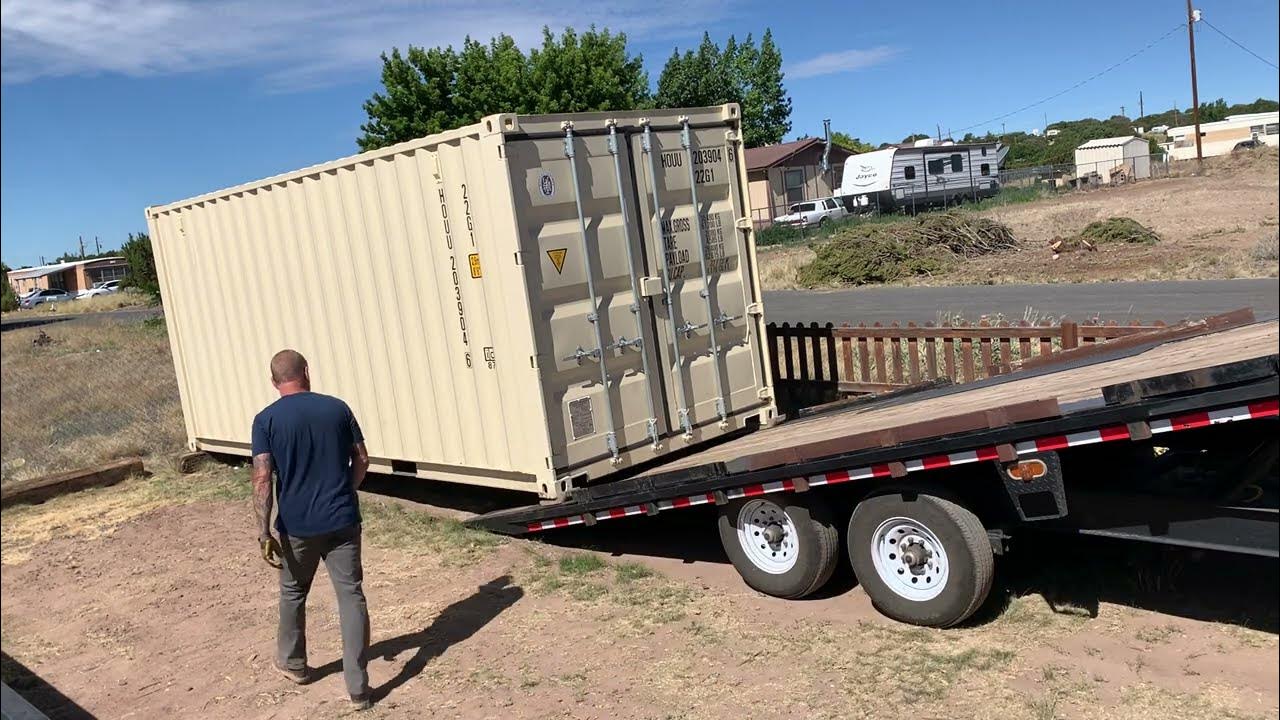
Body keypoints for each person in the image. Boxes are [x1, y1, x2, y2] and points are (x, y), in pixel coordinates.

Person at [251, 349, 373, 711]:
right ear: (306, 371)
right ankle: (358, 688)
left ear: (274, 382)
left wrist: (263, 532)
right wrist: (347, 490)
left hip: (297, 526)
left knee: (293, 591)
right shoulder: (337, 408)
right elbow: (363, 458)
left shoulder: (266, 420)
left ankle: (294, 664)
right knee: (351, 595)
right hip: (342, 520)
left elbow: (261, 477)